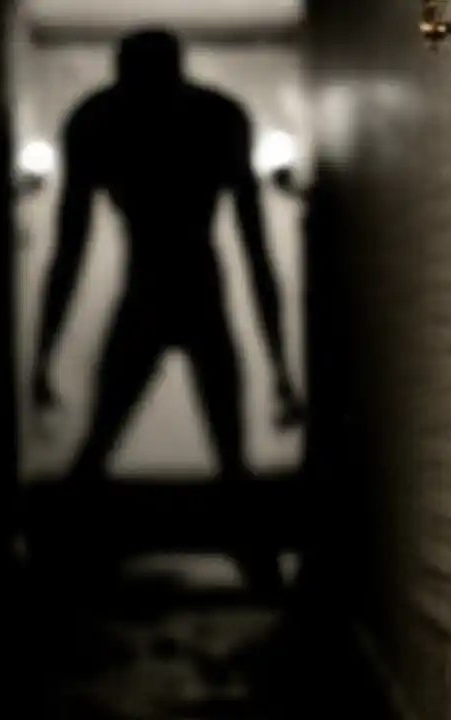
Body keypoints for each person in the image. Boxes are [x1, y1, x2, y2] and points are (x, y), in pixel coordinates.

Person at [30, 28, 303, 590]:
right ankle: (56, 567)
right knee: (121, 438)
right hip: (171, 287)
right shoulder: (131, 121)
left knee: (211, 447)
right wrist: (41, 355)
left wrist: (281, 368)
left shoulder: (121, 120)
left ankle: (57, 567)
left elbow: (70, 249)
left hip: (177, 286)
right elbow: (69, 248)